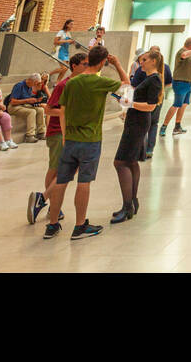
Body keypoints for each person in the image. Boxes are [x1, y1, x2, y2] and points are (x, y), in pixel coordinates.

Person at [42, 46, 127, 240]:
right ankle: (79, 226)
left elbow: (62, 110)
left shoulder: (71, 82)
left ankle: (52, 224)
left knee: (61, 181)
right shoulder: (101, 82)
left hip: (70, 139)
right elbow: (128, 93)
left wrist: (64, 135)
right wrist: (118, 66)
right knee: (84, 182)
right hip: (90, 140)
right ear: (103, 62)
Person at [28, 52, 87, 225]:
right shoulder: (63, 85)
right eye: (84, 64)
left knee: (67, 168)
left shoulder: (79, 84)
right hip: (57, 132)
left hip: (71, 131)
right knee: (56, 169)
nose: (87, 67)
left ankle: (51, 203)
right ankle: (46, 201)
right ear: (74, 66)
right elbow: (49, 109)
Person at [111, 49, 163, 223]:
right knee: (131, 161)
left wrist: (130, 103)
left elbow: (150, 106)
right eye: (141, 60)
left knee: (120, 162)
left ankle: (127, 206)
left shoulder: (155, 80)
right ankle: (131, 202)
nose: (141, 63)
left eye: (144, 60)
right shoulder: (148, 78)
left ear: (154, 61)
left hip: (138, 122)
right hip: (136, 120)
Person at [160, 37, 191, 136]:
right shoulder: (181, 52)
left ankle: (177, 126)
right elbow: (183, 55)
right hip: (180, 82)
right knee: (176, 105)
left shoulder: (189, 54)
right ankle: (164, 126)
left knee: (184, 104)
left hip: (188, 82)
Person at [142, 48, 173, 159]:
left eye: (145, 59)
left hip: (149, 99)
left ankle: (146, 149)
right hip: (158, 96)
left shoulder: (149, 72)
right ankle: (148, 149)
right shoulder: (164, 68)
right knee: (152, 123)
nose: (142, 62)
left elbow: (133, 83)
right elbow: (169, 83)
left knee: (148, 123)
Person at [7, 73, 49, 143]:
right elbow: (12, 101)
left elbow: (28, 100)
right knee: (32, 112)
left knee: (40, 110)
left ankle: (41, 132)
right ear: (31, 80)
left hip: (24, 105)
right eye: (36, 83)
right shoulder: (19, 85)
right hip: (14, 107)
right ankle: (29, 135)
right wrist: (27, 100)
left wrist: (36, 101)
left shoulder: (30, 87)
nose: (36, 84)